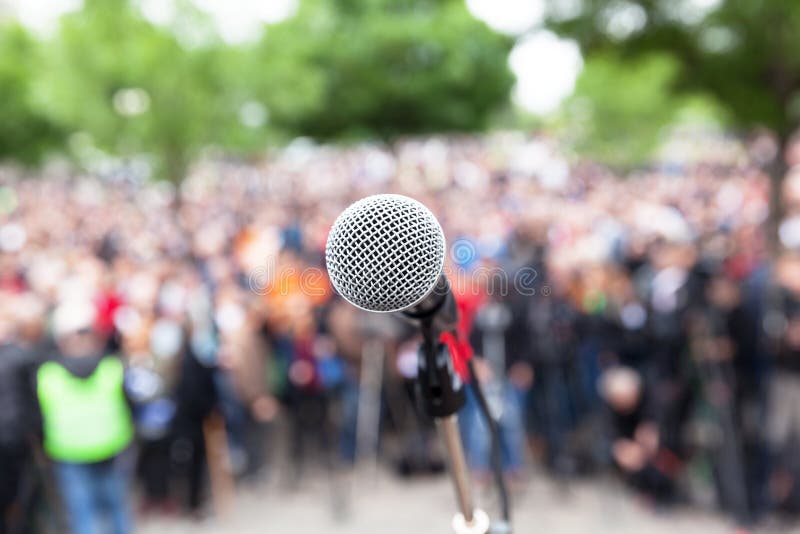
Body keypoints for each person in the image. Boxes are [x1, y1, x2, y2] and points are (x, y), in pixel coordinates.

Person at [36, 300, 134, 534]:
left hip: (73, 451)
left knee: (84, 514)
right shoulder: (111, 366)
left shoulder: (49, 374)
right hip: (105, 446)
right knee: (115, 510)